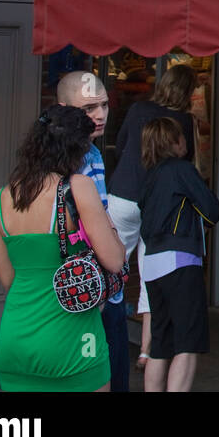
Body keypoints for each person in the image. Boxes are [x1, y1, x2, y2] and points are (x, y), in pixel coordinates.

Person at [0, 105, 125, 391]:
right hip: (74, 342)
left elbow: (8, 280)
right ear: (75, 150)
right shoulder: (78, 187)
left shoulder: (1, 198)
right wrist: (108, 224)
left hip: (16, 341)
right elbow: (114, 261)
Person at [106, 62, 199, 371]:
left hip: (122, 193)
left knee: (110, 266)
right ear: (188, 91)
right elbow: (183, 162)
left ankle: (99, 336)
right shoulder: (183, 120)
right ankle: (148, 349)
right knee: (151, 275)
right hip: (157, 204)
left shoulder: (138, 109)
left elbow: (119, 146)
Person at [138, 116, 219, 391]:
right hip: (180, 259)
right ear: (174, 142)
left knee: (161, 343)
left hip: (151, 262)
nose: (187, 140)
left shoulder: (149, 175)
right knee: (188, 342)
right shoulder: (181, 169)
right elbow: (212, 210)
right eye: (184, 136)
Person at [55, 71, 126, 390]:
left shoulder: (94, 153)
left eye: (104, 105)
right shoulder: (62, 160)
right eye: (88, 109)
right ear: (63, 109)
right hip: (82, 294)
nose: (99, 115)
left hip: (104, 290)